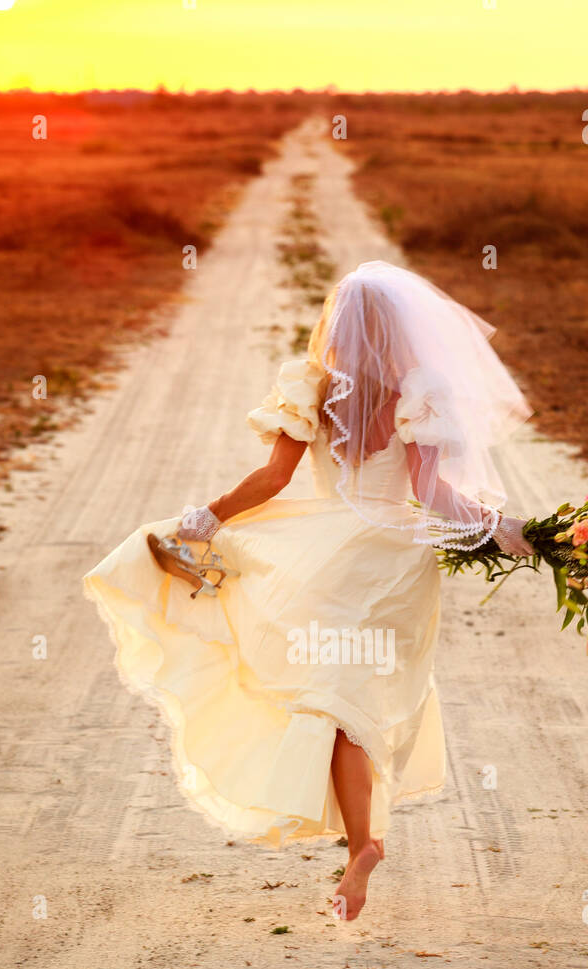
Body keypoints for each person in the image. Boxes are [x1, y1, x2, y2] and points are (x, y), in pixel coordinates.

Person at [84, 260, 532, 920]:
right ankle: (363, 844)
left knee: (330, 696)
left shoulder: (311, 384)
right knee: (355, 697)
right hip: (392, 562)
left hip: (325, 555)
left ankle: (363, 842)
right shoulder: (420, 389)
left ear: (339, 324)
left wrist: (208, 517)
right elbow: (432, 494)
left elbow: (271, 480)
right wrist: (512, 529)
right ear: (402, 324)